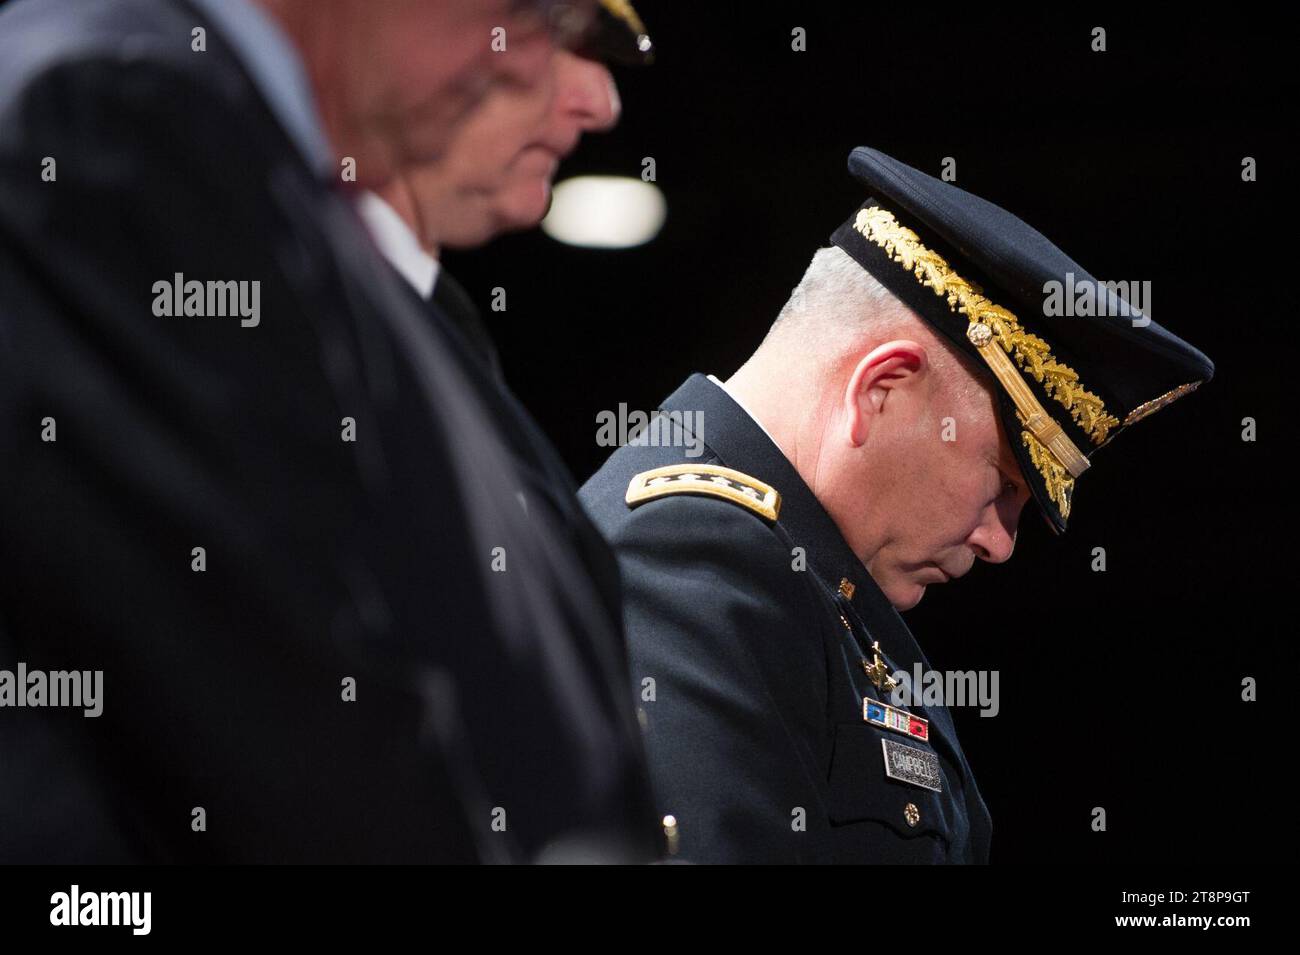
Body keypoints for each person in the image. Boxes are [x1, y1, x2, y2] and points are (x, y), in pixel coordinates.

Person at [0, 0, 657, 863]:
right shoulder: (112, 106)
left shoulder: (266, 181)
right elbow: (290, 730)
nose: (529, 62)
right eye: (525, 13)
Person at [578, 146, 1215, 863]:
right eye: (1005, 482)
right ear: (881, 388)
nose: (1002, 543)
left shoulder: (804, 586)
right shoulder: (682, 559)